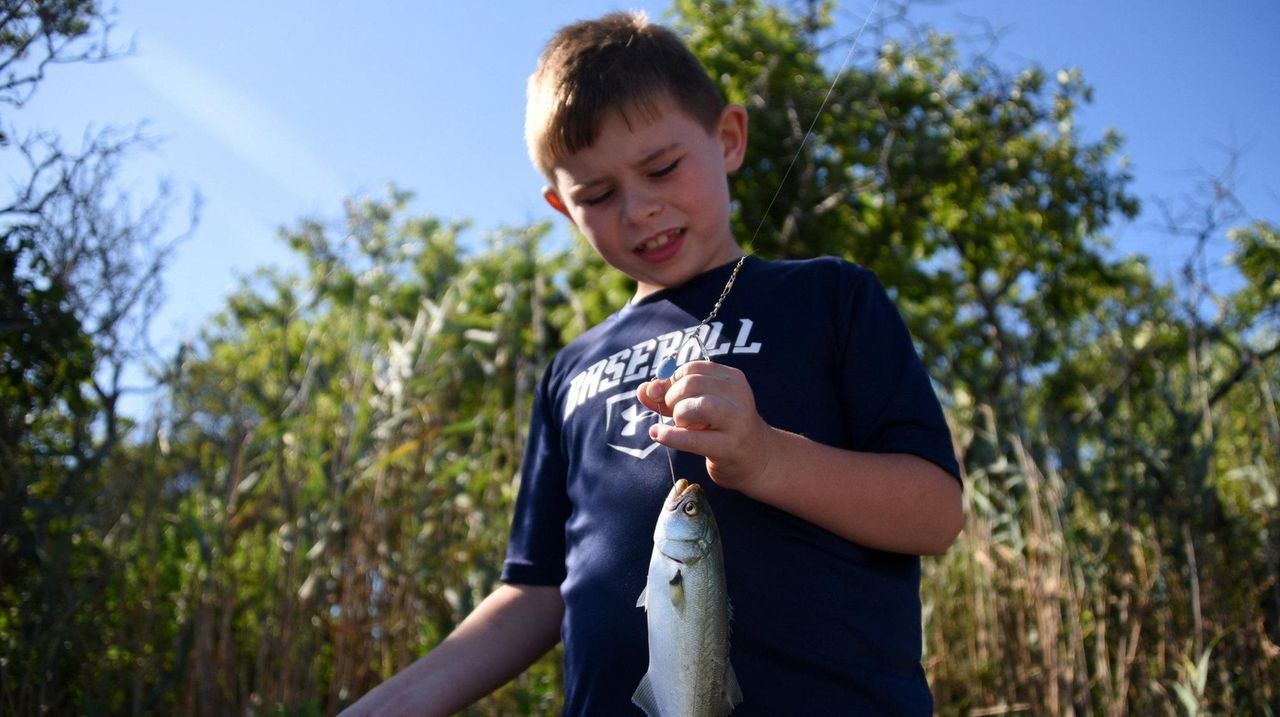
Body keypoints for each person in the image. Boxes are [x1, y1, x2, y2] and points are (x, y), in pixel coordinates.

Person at [342, 11, 962, 716]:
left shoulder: (832, 298)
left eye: (662, 167)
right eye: (597, 195)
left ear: (727, 139)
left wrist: (769, 459)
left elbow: (936, 512)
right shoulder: (568, 369)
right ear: (562, 208)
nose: (639, 208)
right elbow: (536, 590)